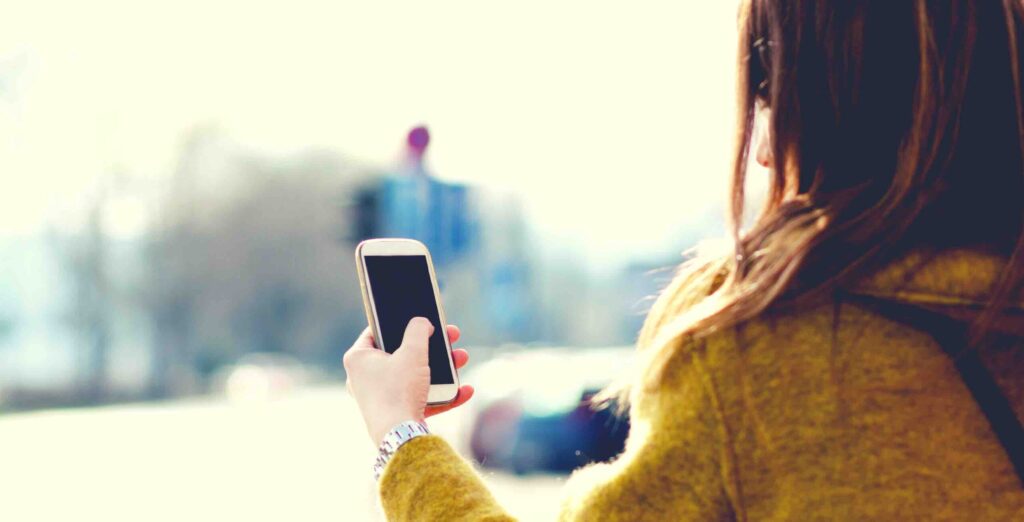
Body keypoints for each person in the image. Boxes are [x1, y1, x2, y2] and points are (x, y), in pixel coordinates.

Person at [343, 0, 1024, 519]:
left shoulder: (761, 350)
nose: (760, 151)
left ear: (823, 103)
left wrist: (400, 439)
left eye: (769, 94)